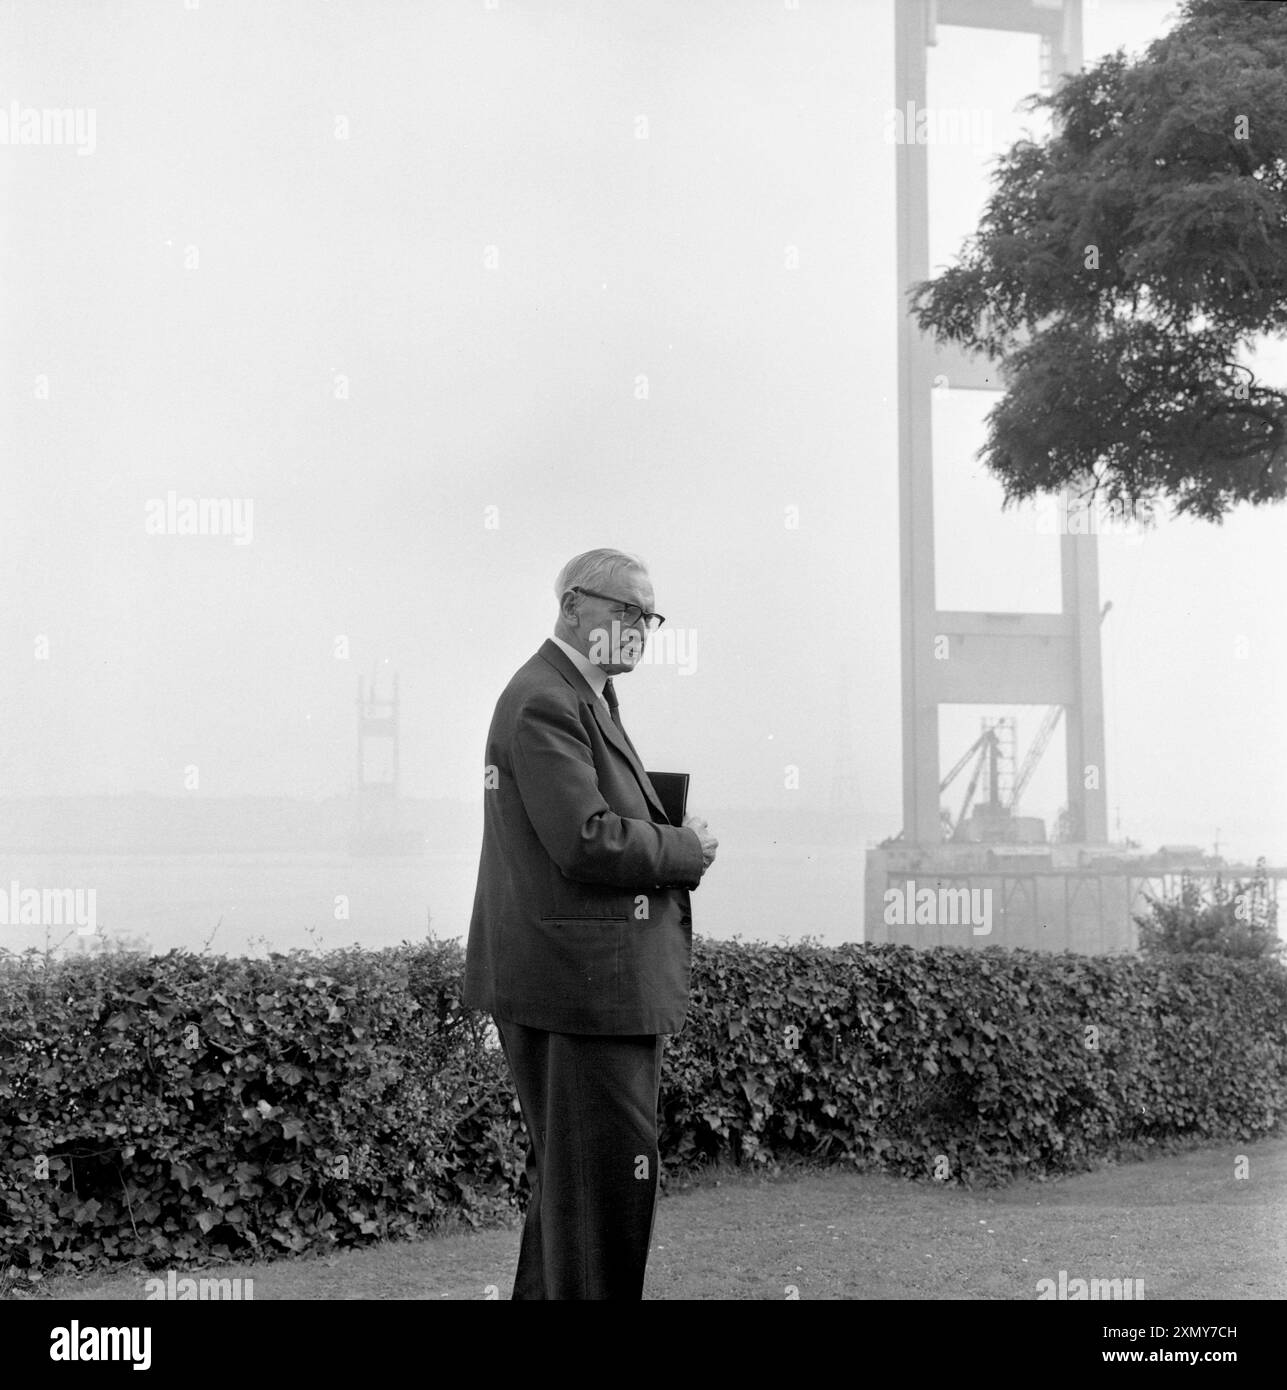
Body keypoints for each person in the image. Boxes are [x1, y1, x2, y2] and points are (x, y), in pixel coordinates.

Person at [463, 548, 718, 1300]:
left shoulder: (585, 697)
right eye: (624, 610)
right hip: (578, 994)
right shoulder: (546, 697)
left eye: (649, 616)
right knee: (600, 1196)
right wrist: (685, 847)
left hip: (580, 987)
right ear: (573, 605)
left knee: (577, 1199)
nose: (639, 627)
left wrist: (656, 819)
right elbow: (583, 838)